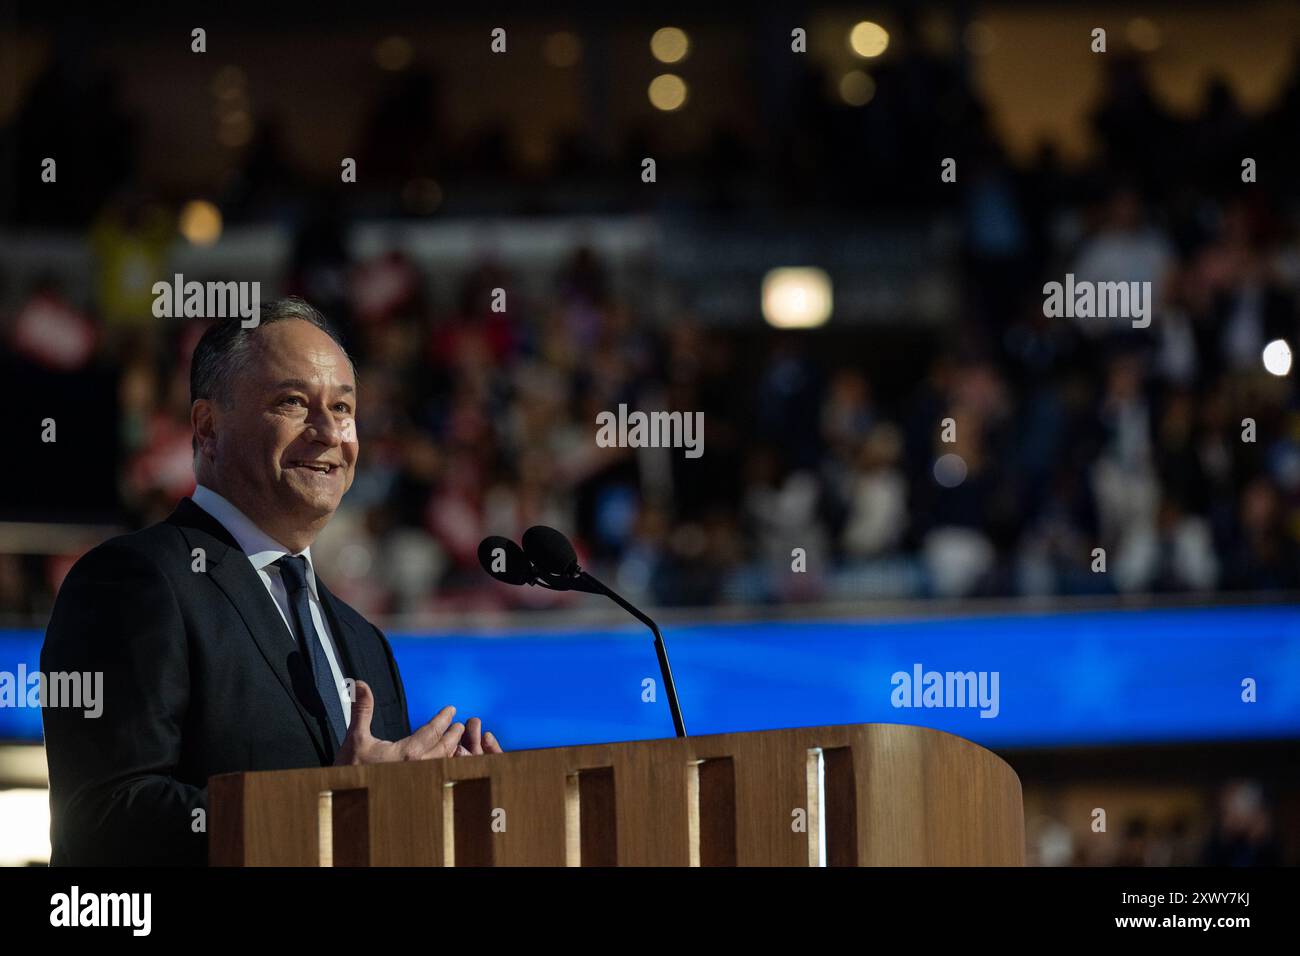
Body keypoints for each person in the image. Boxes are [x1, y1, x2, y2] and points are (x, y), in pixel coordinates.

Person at [41, 297, 502, 865]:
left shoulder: (366, 644)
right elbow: (103, 820)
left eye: (343, 407)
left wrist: (439, 803)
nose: (330, 431)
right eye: (293, 402)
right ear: (208, 427)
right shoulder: (131, 581)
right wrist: (329, 804)